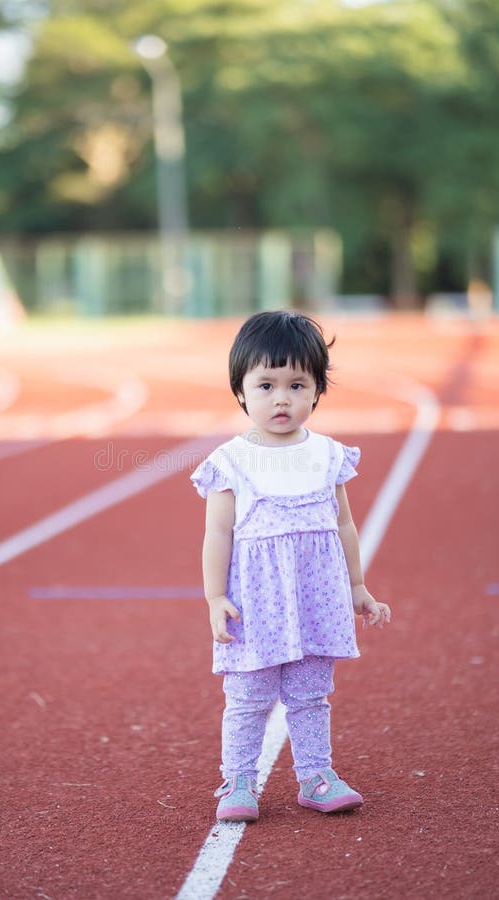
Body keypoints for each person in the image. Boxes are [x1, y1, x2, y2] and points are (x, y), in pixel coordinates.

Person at [190, 310, 391, 822]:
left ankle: (316, 776)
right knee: (249, 697)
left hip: (316, 600)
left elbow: (343, 524)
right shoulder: (230, 461)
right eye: (266, 385)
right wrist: (215, 597)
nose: (281, 398)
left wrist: (357, 586)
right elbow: (217, 534)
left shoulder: (327, 455)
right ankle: (239, 780)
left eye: (296, 385)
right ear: (240, 391)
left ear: (317, 391)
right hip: (255, 604)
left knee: (310, 695)